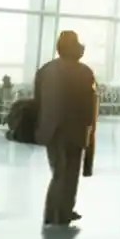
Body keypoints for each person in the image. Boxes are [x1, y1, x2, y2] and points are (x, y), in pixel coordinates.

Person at [35, 31, 97, 228]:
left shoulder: (45, 70)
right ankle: (63, 212)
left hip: (51, 129)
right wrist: (90, 126)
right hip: (75, 129)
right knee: (70, 173)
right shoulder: (84, 71)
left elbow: (38, 100)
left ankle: (53, 212)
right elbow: (89, 103)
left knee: (58, 172)